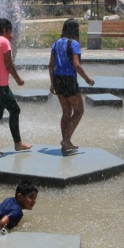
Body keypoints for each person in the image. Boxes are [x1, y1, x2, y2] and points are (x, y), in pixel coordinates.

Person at [0, 18, 33, 157]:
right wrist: (18, 79)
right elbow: (9, 65)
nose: (12, 34)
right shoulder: (4, 42)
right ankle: (17, 143)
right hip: (0, 85)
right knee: (15, 110)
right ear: (4, 30)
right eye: (10, 31)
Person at [48, 19, 95, 153]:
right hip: (69, 81)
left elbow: (50, 65)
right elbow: (76, 65)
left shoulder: (56, 43)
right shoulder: (74, 44)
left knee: (66, 112)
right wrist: (87, 79)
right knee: (79, 111)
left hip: (57, 80)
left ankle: (66, 143)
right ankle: (66, 140)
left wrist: (52, 83)